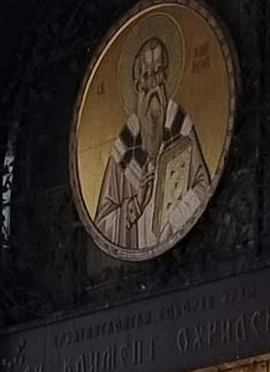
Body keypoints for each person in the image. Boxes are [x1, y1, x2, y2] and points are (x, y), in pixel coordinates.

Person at [92, 27, 214, 255]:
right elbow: (103, 224)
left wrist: (176, 219)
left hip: (188, 249)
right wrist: (136, 204)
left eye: (158, 73)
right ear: (137, 84)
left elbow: (203, 187)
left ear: (166, 76)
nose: (154, 86)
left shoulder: (181, 128)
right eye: (147, 76)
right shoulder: (124, 147)